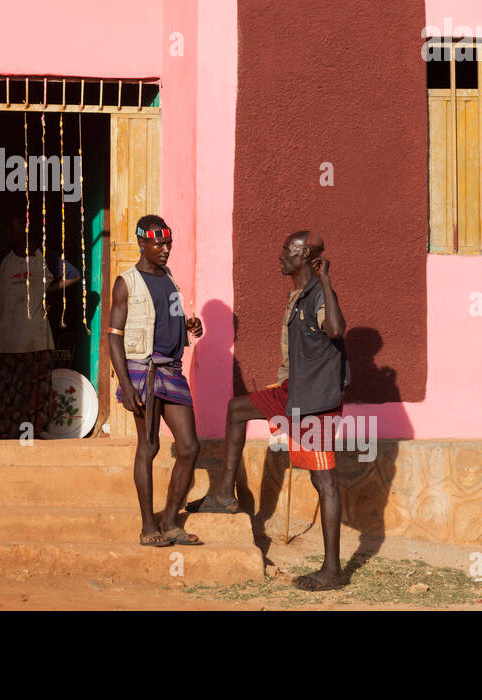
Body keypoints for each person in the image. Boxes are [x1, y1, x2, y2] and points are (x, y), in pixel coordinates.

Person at [188, 229, 349, 590]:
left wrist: (326, 280)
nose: (279, 255)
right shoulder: (297, 294)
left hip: (316, 401)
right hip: (293, 390)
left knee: (324, 479)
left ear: (305, 255)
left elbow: (336, 330)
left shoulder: (320, 294)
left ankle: (333, 570)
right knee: (236, 410)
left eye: (286, 251)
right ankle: (224, 494)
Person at [108, 214, 205, 547]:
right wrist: (126, 384)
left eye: (169, 243)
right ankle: (148, 527)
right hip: (141, 370)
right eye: (158, 243)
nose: (165, 249)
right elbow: (113, 337)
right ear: (142, 243)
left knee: (190, 447)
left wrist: (190, 325)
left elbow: (169, 315)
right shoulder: (127, 282)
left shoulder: (169, 277)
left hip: (171, 370)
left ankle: (171, 521)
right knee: (148, 447)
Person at [0, 212, 80, 440]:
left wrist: (48, 289)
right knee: (1, 392)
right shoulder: (4, 257)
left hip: (36, 340)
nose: (8, 233)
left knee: (32, 394)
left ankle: (31, 435)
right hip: (5, 339)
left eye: (12, 227)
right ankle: (0, 435)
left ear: (25, 229)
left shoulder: (46, 257)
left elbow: (73, 275)